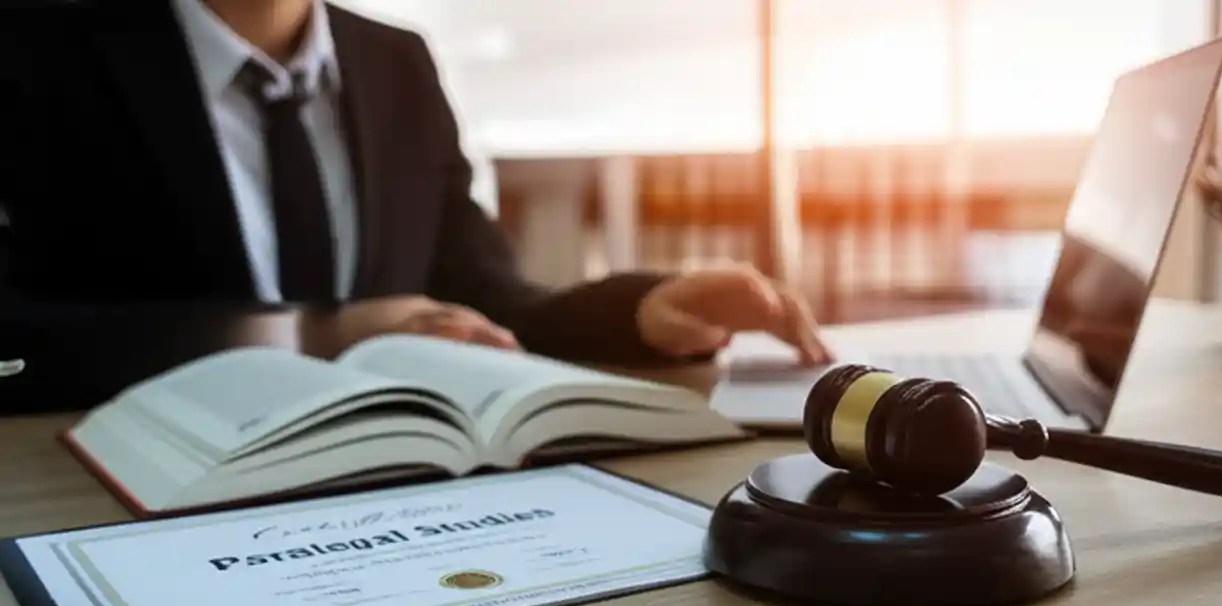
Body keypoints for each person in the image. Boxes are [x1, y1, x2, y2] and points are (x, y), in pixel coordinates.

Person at [0, 0, 831, 414]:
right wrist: (320, 331)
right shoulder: (37, 50)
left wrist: (644, 309)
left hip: (390, 480)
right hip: (127, 499)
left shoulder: (395, 62)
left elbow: (485, 300)